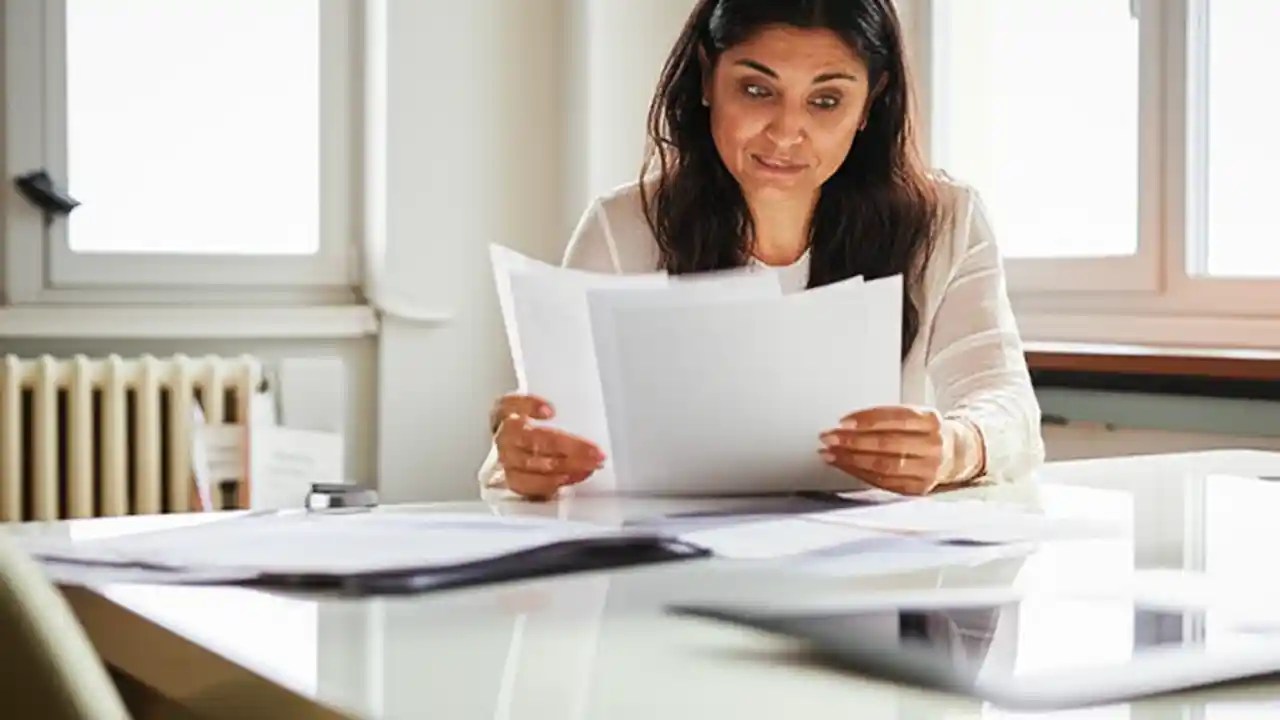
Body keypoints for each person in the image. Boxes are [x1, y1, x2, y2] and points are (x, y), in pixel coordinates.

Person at [479, 0, 1044, 500]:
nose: (785, 132)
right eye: (756, 90)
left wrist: (954, 446)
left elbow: (1007, 408)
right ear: (707, 78)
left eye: (825, 101)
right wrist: (528, 458)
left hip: (871, 575)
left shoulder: (947, 220)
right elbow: (519, 459)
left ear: (871, 104)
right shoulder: (623, 227)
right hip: (668, 577)